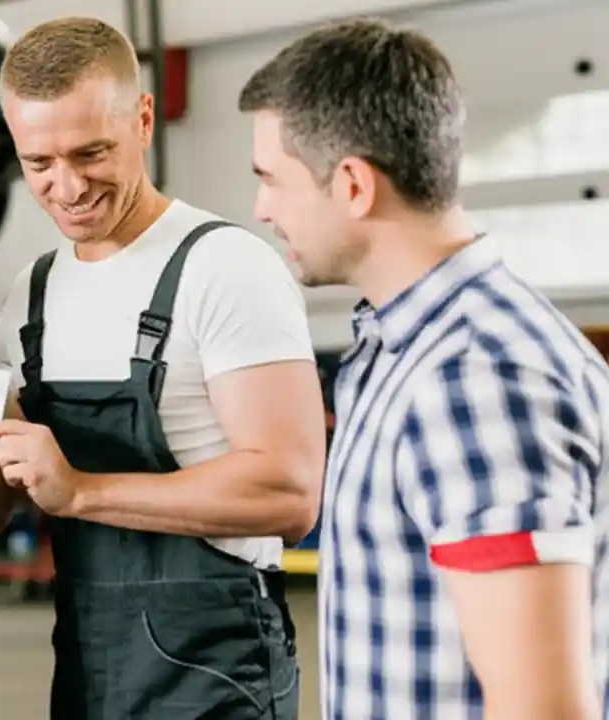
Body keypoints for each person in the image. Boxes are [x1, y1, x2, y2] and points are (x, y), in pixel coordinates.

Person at [0, 15, 323, 719]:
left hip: (217, 666)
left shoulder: (225, 268)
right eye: (39, 162)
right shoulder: (27, 299)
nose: (67, 186)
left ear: (143, 119)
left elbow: (290, 495)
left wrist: (81, 491)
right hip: (88, 661)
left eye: (92, 152)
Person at [238, 17, 609, 720]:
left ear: (352, 185)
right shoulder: (401, 348)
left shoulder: (473, 378)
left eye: (272, 180)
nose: (262, 208)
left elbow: (543, 709)